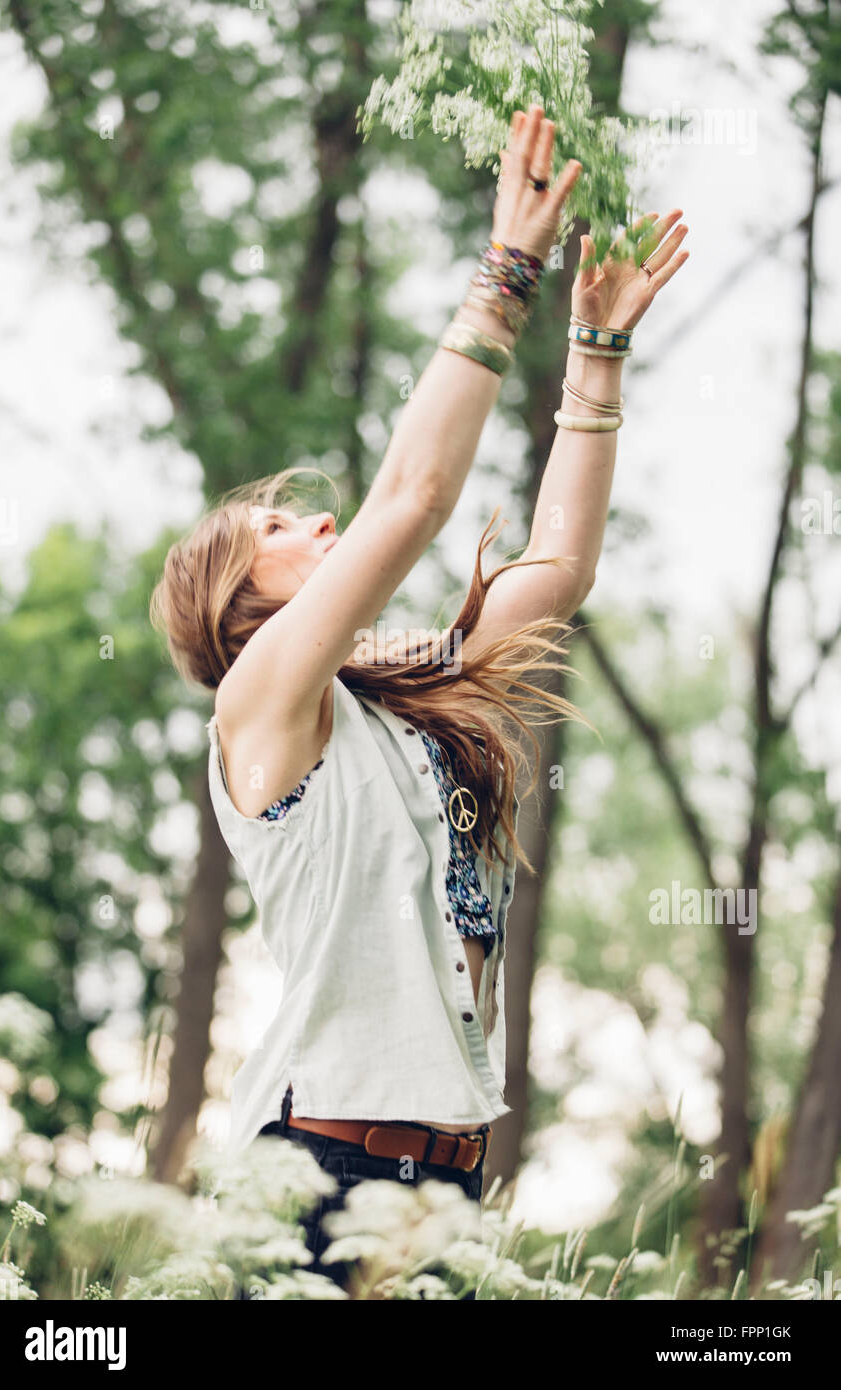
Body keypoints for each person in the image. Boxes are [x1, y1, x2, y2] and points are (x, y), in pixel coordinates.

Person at [150, 103, 689, 1296]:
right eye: (280, 532)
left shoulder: (402, 709)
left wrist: (595, 351)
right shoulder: (260, 706)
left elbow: (557, 568)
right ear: (238, 607)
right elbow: (412, 496)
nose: (317, 523)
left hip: (447, 1188)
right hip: (317, 1172)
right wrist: (507, 273)